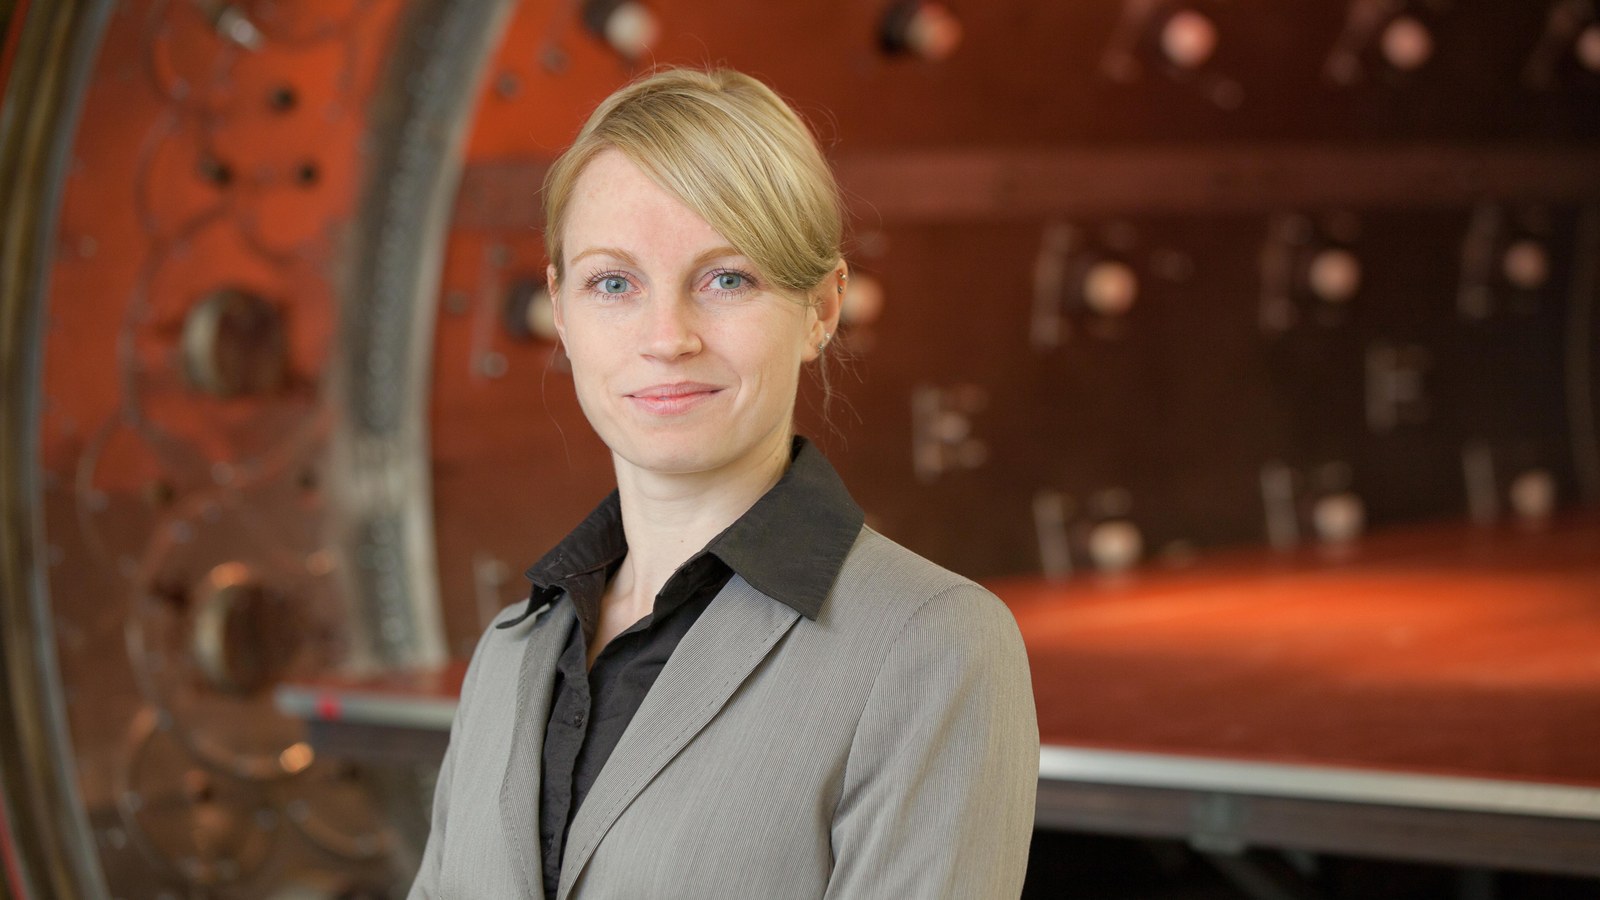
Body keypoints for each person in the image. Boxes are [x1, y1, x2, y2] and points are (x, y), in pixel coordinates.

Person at [408, 66, 1038, 900]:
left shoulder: (931, 647)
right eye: (613, 283)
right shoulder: (509, 654)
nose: (667, 337)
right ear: (561, 311)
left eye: (726, 279)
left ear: (822, 309)